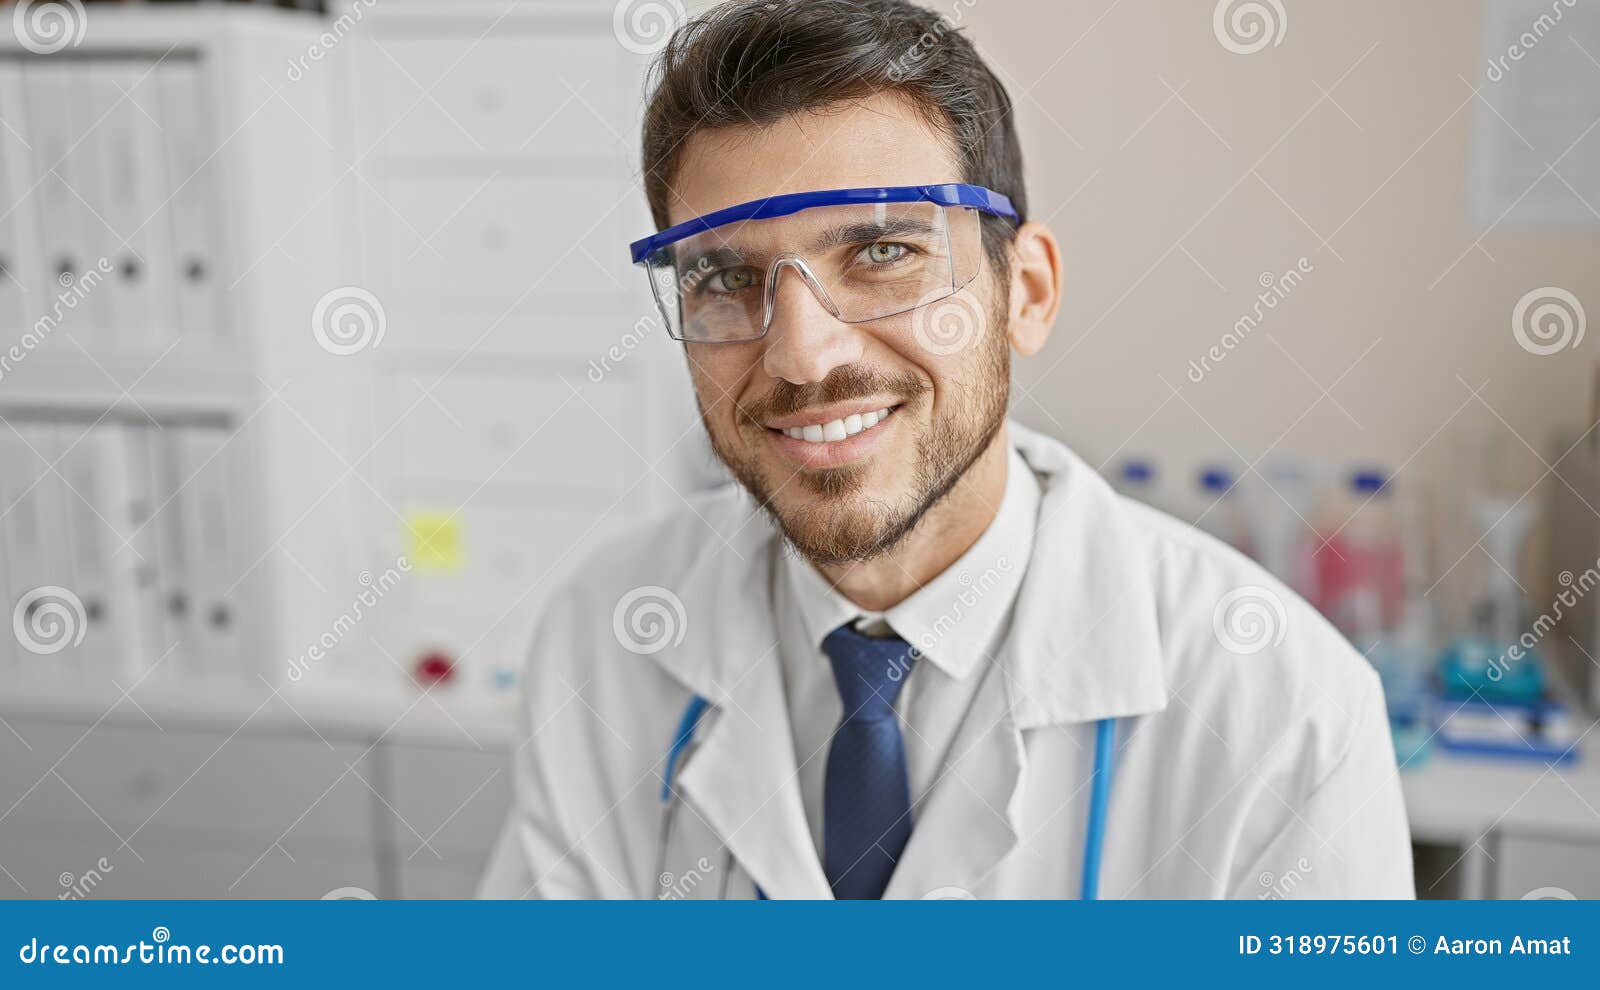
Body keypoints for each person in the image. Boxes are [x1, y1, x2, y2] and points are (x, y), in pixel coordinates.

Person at [479, 0, 1413, 899]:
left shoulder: (1283, 711)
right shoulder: (607, 636)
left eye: (884, 251)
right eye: (725, 276)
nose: (801, 354)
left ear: (1027, 292)